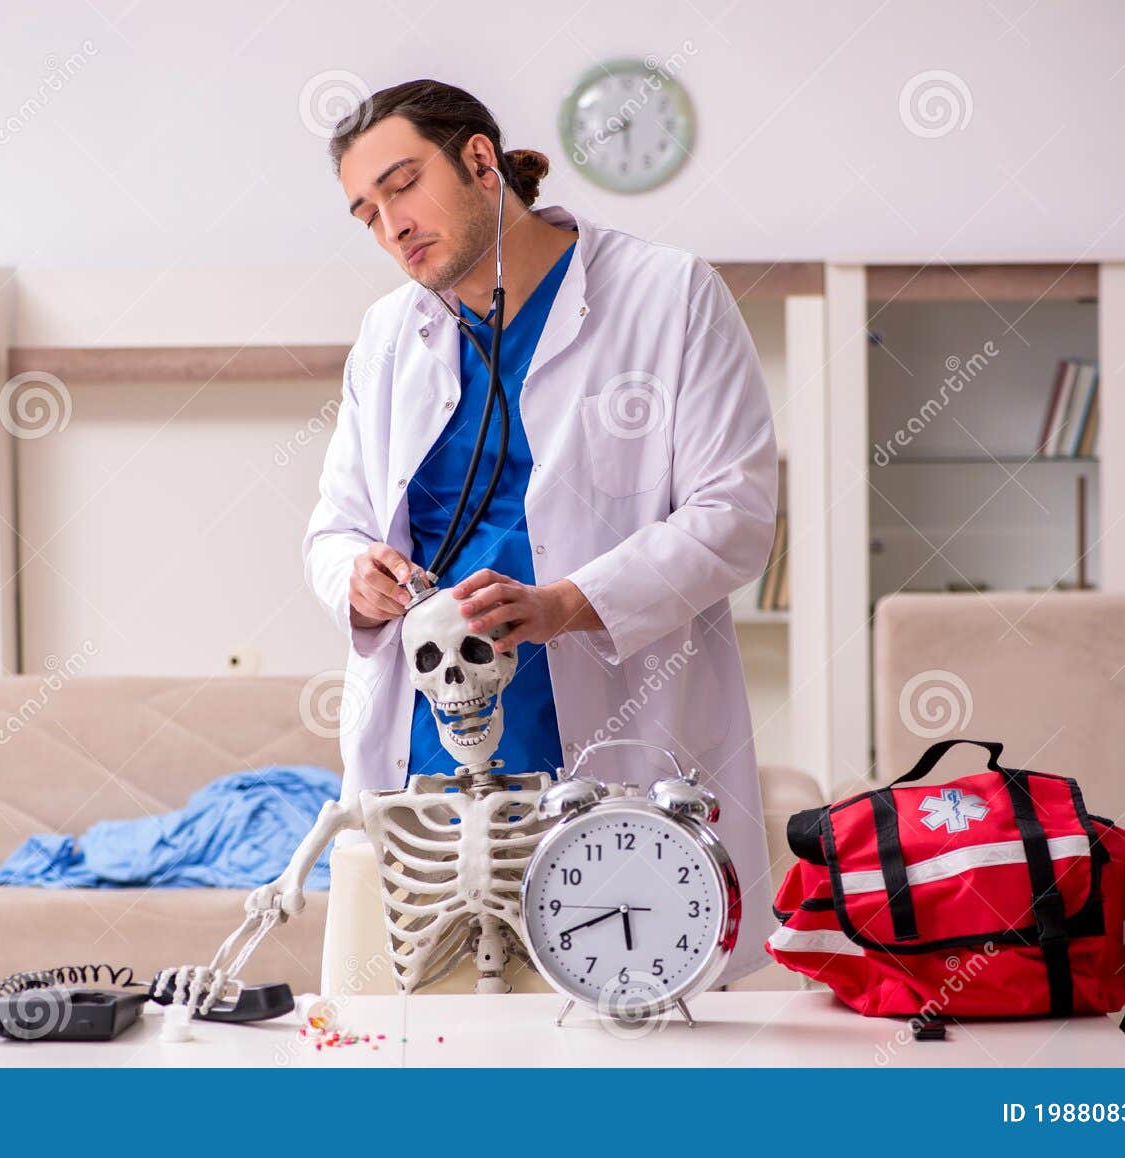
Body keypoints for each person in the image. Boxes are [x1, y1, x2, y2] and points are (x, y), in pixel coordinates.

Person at [305, 79, 780, 983]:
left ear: (482, 162)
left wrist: (569, 603)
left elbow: (736, 515)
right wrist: (353, 575)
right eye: (366, 212)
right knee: (420, 1053)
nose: (391, 226)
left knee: (618, 1048)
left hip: (609, 736)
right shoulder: (386, 335)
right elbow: (335, 526)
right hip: (429, 756)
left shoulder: (668, 296)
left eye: (403, 186)